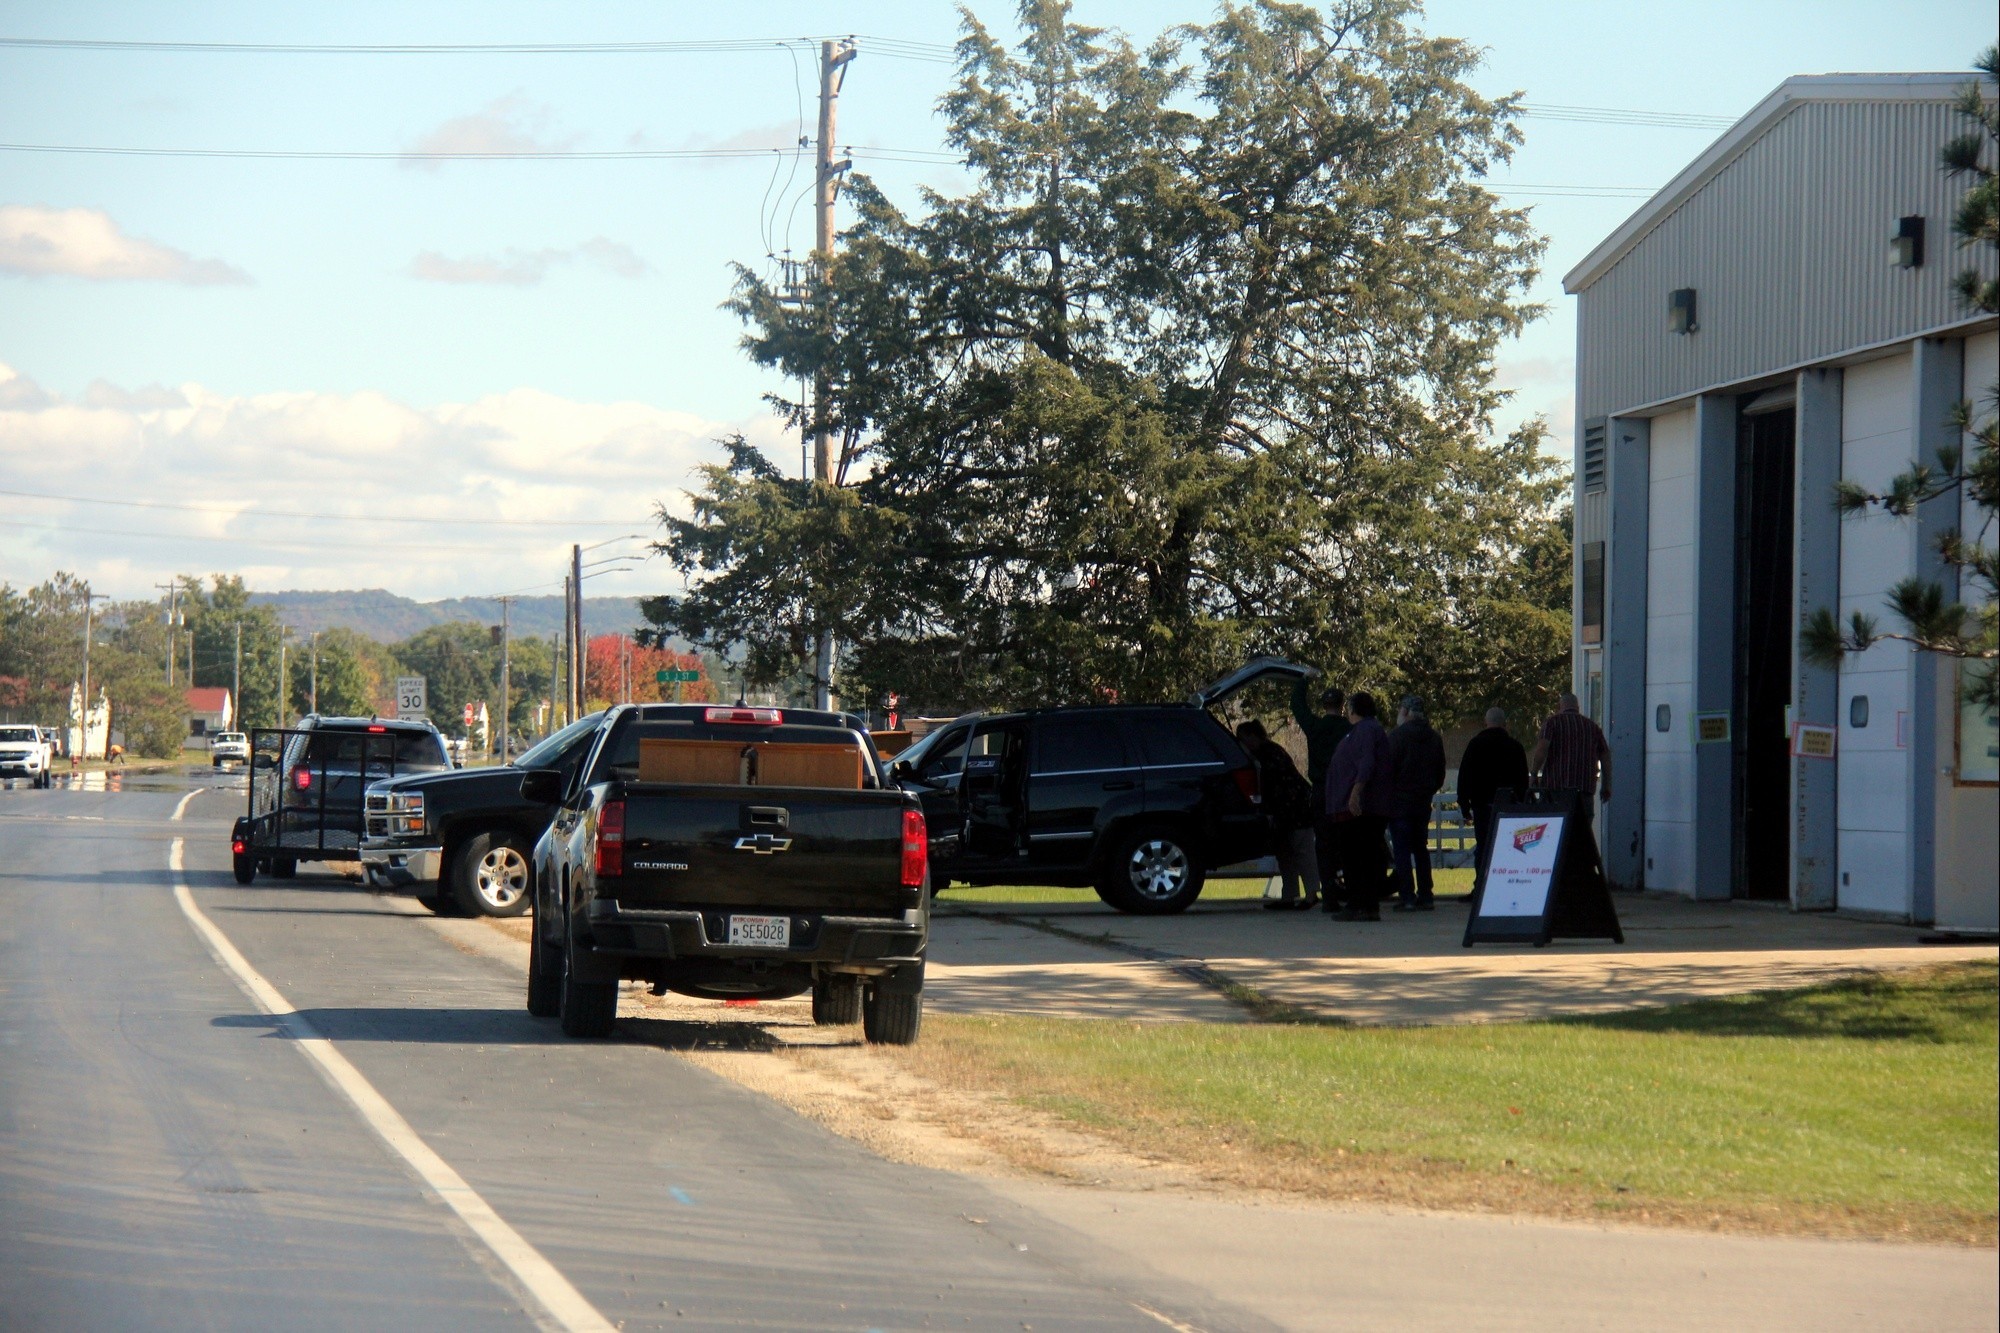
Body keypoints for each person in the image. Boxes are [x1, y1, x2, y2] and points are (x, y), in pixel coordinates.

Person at [1235, 720, 1319, 910]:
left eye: (1244, 739)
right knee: (1286, 854)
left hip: (1296, 809)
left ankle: (1311, 894)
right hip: (1285, 811)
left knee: (1302, 852)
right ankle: (1290, 895)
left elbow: (1274, 786)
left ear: (1253, 737)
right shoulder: (1267, 753)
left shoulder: (1268, 755)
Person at [1323, 692, 1393, 921]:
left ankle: (1359, 904)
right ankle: (1364, 904)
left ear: (1355, 709)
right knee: (1358, 856)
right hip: (1355, 808)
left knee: (1358, 858)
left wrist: (1355, 793)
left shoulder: (1366, 730)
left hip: (1361, 809)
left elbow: (1366, 762)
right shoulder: (1361, 730)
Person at [1290, 679, 1350, 905]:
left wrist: (1302, 681)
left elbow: (1297, 706)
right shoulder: (1349, 729)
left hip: (1321, 789)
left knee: (1323, 844)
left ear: (1324, 706)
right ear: (1342, 705)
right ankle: (1348, 886)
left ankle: (1329, 893)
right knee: (1345, 841)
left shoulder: (1315, 727)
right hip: (1344, 791)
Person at [1386, 696, 1446, 912]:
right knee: (1421, 848)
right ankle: (1426, 894)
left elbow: (1388, 770)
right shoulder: (1434, 738)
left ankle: (1407, 894)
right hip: (1422, 801)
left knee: (1401, 850)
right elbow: (1440, 773)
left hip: (1400, 801)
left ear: (1405, 712)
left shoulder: (1397, 737)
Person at [1456, 707, 1530, 874]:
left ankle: (1479, 886)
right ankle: (1504, 882)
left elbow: (1465, 776)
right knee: (1509, 848)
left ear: (1486, 722)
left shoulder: (1475, 745)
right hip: (1508, 805)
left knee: (1483, 846)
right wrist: (1521, 801)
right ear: (1505, 724)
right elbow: (1523, 779)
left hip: (1482, 804)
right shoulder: (1515, 747)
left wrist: (1464, 804)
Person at [1531, 692, 1612, 823]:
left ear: (1559, 706)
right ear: (1577, 707)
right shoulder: (1592, 727)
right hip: (1584, 791)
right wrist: (1607, 785)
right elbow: (1605, 756)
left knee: (1555, 832)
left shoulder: (1552, 723)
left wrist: (1534, 773)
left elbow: (1542, 749)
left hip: (1556, 790)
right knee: (1582, 835)